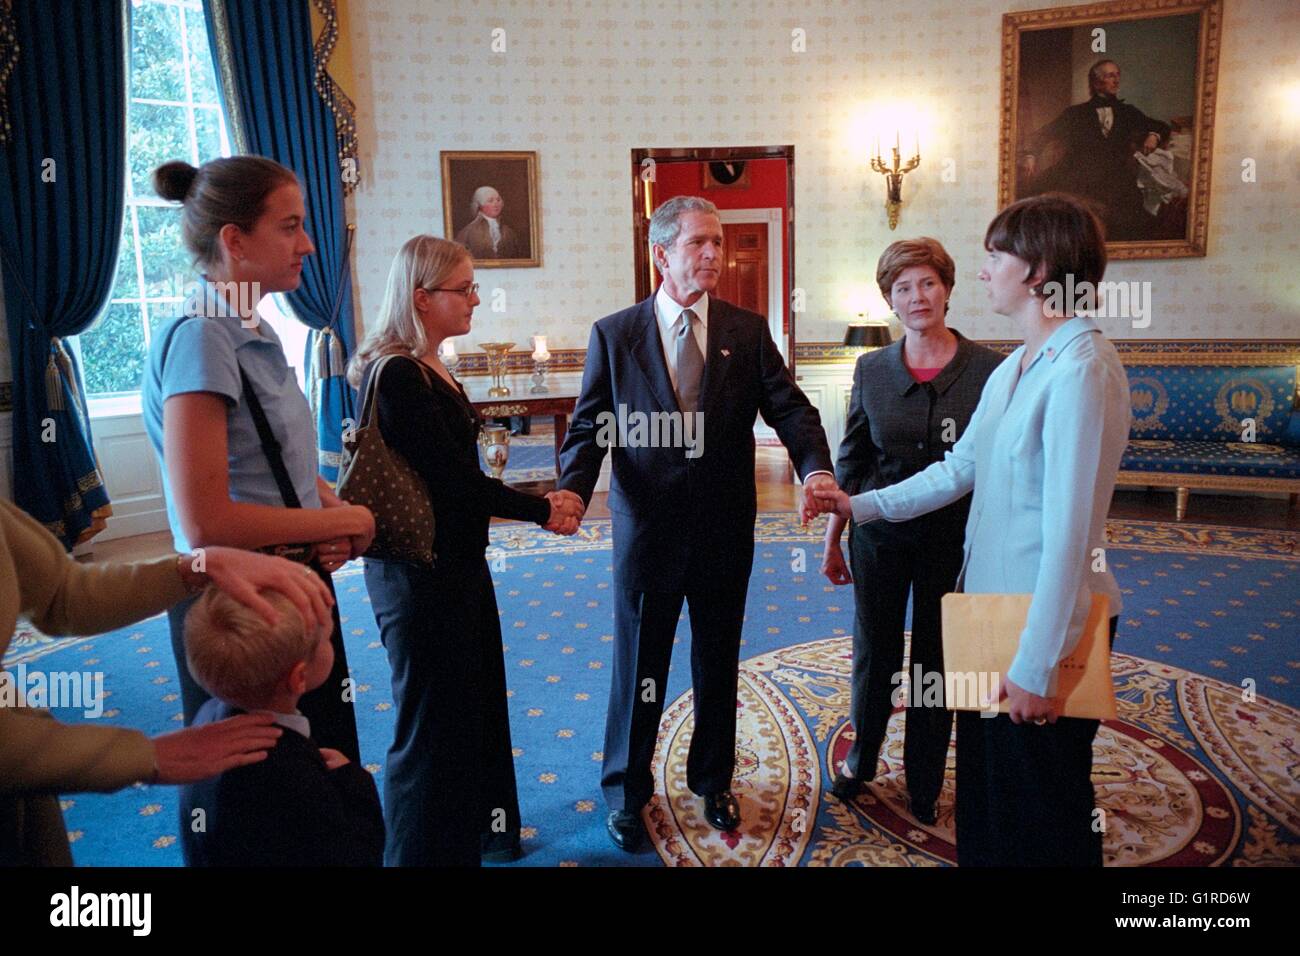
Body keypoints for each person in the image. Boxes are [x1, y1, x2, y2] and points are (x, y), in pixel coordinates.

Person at [815, 193, 1130, 866]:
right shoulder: (1019, 366)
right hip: (991, 611)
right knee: (991, 802)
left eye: (995, 256)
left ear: (1040, 267)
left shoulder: (1082, 369)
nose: (983, 272)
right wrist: (858, 507)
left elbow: (1072, 533)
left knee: (1047, 811)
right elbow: (957, 471)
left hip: (1042, 625)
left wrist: (1039, 664)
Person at [556, 196, 837, 852]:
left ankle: (712, 778)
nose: (713, 254)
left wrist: (814, 468)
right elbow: (593, 423)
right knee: (640, 661)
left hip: (722, 529)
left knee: (716, 658)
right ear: (662, 254)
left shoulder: (746, 328)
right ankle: (626, 791)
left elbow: (790, 409)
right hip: (647, 529)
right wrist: (571, 491)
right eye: (698, 244)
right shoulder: (615, 334)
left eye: (718, 241)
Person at [347, 235, 582, 866]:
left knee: (469, 706)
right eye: (465, 288)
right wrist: (542, 509)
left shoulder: (430, 365)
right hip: (417, 574)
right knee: (427, 726)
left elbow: (455, 478)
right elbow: (451, 481)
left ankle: (478, 836)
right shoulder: (397, 373)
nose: (476, 298)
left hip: (453, 565)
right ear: (422, 298)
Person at [142, 156, 374, 764]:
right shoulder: (202, 336)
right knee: (277, 796)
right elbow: (206, 525)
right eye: (290, 226)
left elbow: (281, 465)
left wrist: (331, 508)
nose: (308, 243)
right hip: (243, 610)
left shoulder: (253, 327)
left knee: (321, 766)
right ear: (234, 241)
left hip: (284, 587)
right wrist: (343, 522)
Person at [0, 496, 333, 866]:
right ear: (298, 676)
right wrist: (354, 785)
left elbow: (63, 592)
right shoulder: (295, 779)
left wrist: (196, 567)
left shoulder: (211, 716)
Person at [821, 238, 1002, 824]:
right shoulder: (871, 367)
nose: (917, 296)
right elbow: (850, 464)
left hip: (953, 539)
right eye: (903, 288)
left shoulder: (991, 370)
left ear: (947, 289)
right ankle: (862, 761)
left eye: (927, 283)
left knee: (937, 660)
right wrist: (831, 538)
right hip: (877, 535)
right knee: (875, 652)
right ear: (889, 300)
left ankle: (924, 779)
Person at [179, 588, 385, 867]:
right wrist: (355, 782)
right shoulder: (293, 771)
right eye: (327, 638)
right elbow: (355, 856)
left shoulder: (204, 723)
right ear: (298, 677)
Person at [1020, 59, 1172, 241]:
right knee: (1033, 202)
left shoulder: (1128, 112)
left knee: (1131, 217)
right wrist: (1030, 155)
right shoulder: (1075, 113)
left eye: (1117, 75)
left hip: (1115, 174)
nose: (1116, 80)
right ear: (1096, 82)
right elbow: (1044, 133)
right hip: (1076, 172)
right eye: (1110, 76)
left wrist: (1153, 135)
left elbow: (1159, 125)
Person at [453, 186, 523, 259]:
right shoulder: (468, 232)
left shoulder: (509, 232)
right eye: (490, 201)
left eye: (498, 200)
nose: (496, 204)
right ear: (480, 205)